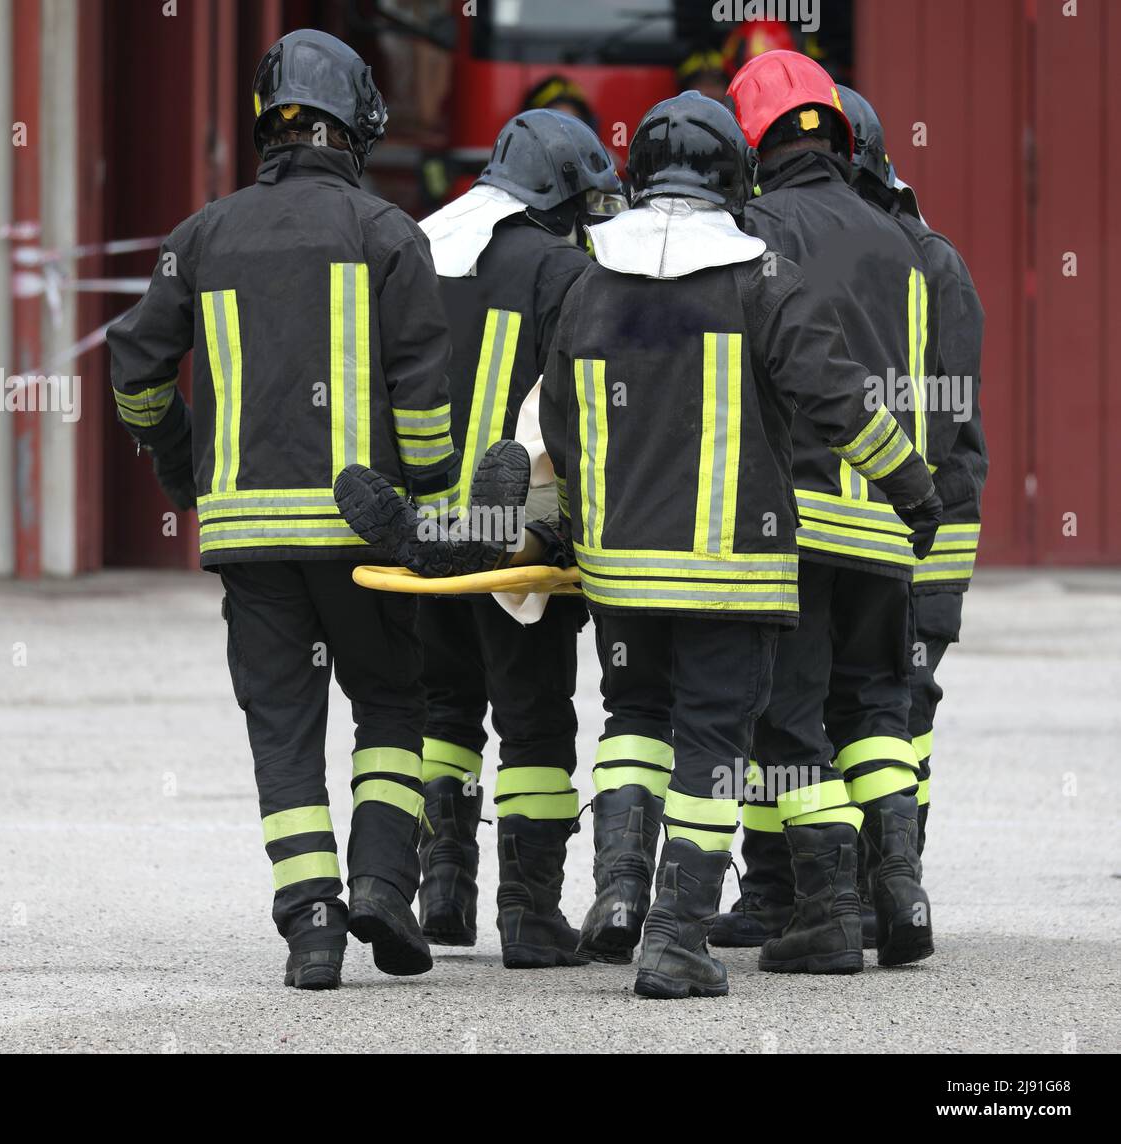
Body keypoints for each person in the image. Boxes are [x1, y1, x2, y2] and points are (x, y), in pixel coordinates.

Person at [335, 91, 940, 997]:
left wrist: (574, 526)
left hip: (621, 577)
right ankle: (676, 937)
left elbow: (561, 427)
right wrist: (914, 490)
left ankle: (623, 899)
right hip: (733, 575)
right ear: (735, 179)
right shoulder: (763, 280)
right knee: (713, 750)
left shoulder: (589, 287)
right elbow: (841, 402)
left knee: (636, 722)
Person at [106, 29, 459, 991]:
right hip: (362, 538)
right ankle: (382, 886)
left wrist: (184, 466)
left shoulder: (200, 237)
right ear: (355, 122)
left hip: (249, 543)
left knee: (283, 731)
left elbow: (135, 374)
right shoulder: (388, 234)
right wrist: (429, 508)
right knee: (391, 704)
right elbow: (424, 405)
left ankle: (311, 926)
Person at [712, 50, 941, 970]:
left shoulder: (753, 230)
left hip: (793, 523)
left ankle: (827, 913)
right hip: (885, 521)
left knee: (789, 721)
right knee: (877, 709)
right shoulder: (905, 243)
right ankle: (901, 891)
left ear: (751, 143)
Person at [410, 110, 624, 968]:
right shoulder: (564, 269)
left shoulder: (422, 251)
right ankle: (530, 918)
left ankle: (443, 891)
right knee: (533, 723)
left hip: (426, 536)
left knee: (444, 710)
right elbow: (578, 409)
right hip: (520, 539)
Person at [838, 85, 987, 858]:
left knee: (903, 705)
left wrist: (885, 478)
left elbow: (942, 411)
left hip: (926, 528)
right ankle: (841, 886)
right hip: (863, 521)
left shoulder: (931, 261)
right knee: (846, 702)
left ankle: (892, 879)